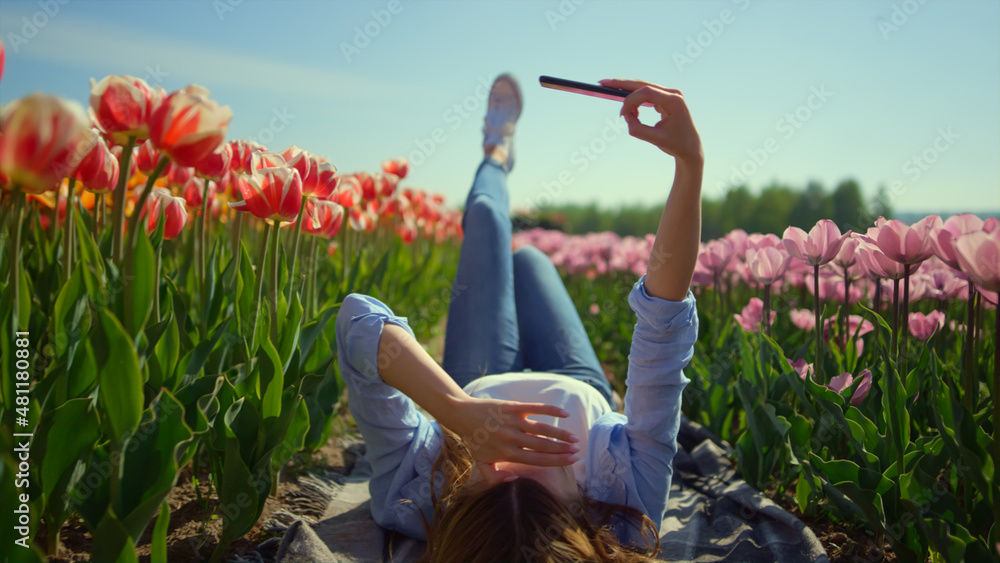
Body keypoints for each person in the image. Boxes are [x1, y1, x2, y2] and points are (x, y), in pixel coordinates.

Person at [335, 74, 702, 561]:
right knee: (530, 262)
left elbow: (359, 323)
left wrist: (458, 412)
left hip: (474, 377)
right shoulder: (627, 512)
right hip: (580, 381)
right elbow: (663, 331)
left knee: (487, 217)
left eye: (490, 485)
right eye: (542, 490)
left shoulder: (419, 495)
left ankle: (497, 150)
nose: (513, 468)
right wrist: (690, 163)